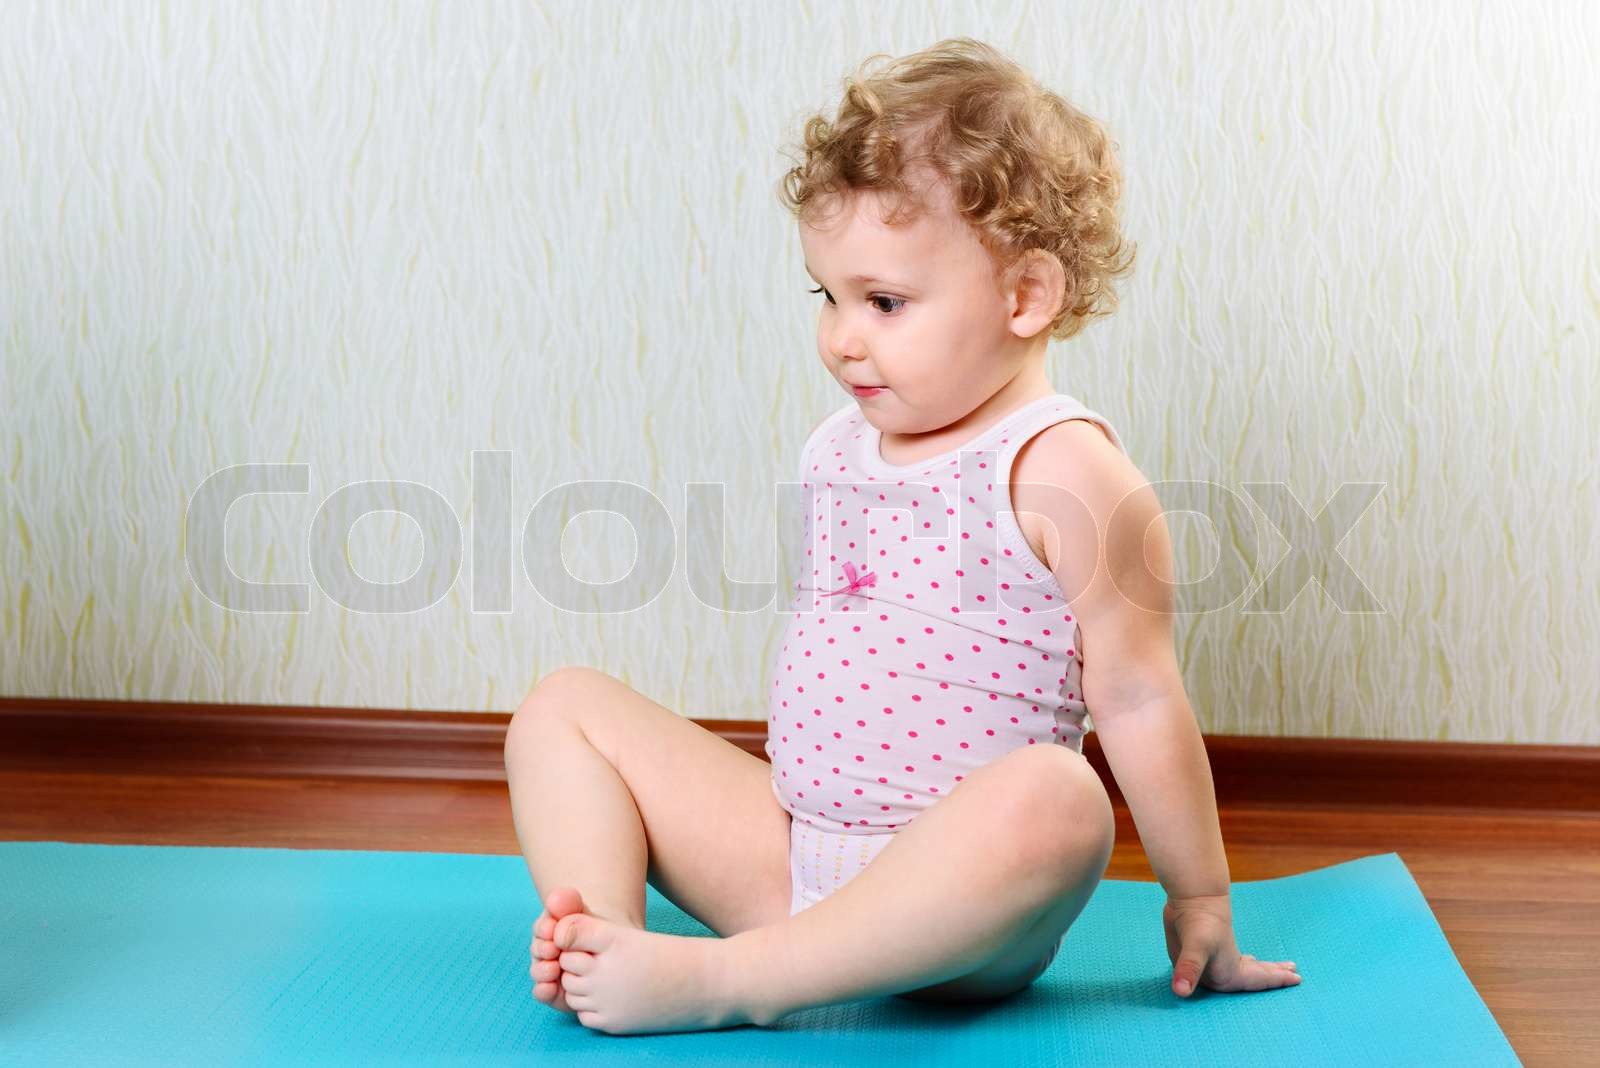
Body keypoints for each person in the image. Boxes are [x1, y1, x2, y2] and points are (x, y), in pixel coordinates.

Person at [507, 36, 1301, 1036]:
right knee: (561, 708)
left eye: (882, 302)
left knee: (1061, 799)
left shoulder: (1067, 471)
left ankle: (737, 981)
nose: (842, 335)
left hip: (963, 918)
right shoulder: (840, 445)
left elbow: (1140, 697)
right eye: (827, 296)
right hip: (798, 865)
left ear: (1025, 297)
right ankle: (614, 944)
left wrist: (1202, 900)